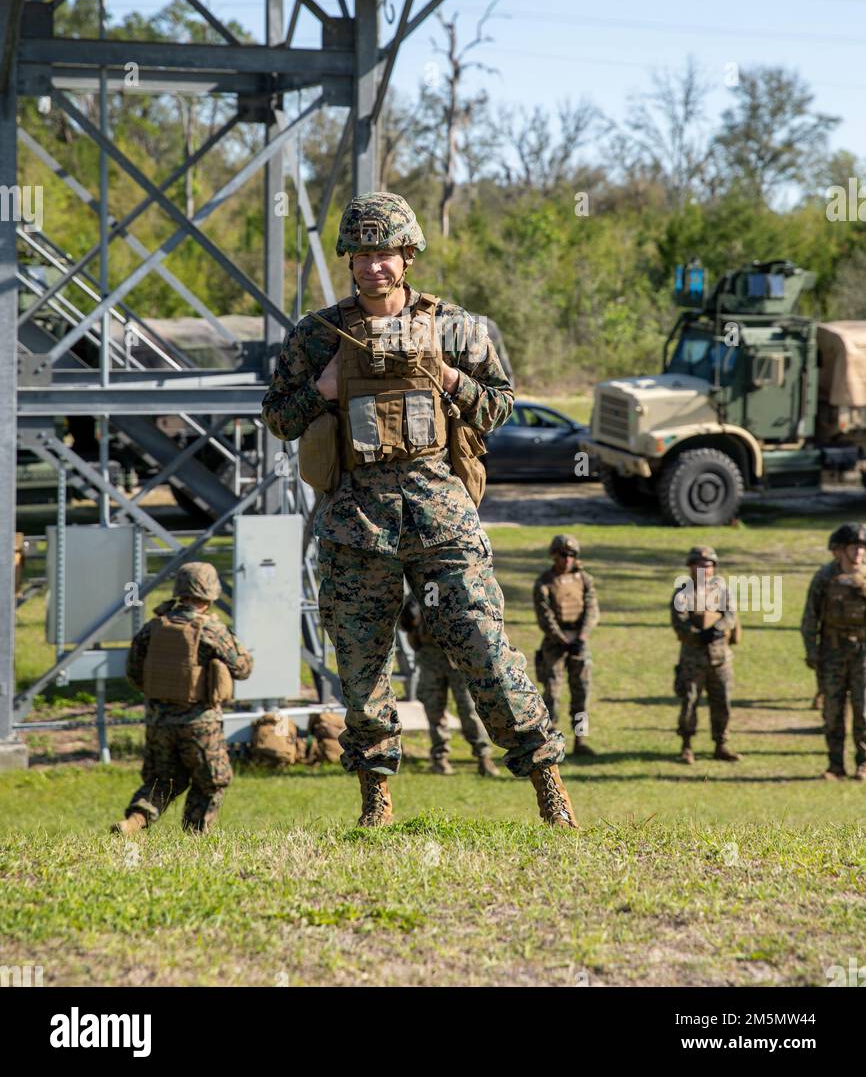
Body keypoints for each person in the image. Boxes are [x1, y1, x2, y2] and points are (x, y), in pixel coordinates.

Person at [261, 192, 575, 829]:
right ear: (349, 258)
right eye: (362, 253)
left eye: (386, 253)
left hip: (442, 516)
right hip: (355, 523)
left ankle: (547, 781)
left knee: (483, 645)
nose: (374, 265)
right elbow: (277, 418)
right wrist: (321, 390)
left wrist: (450, 378)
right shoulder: (317, 334)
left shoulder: (456, 326)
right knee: (361, 662)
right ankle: (376, 798)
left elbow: (501, 404)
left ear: (408, 256)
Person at [111, 562, 253, 835]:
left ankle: (134, 822)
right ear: (210, 594)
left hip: (158, 722)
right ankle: (194, 835)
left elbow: (133, 673)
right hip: (200, 722)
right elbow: (242, 669)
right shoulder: (212, 630)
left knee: (162, 779)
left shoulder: (154, 626)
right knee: (212, 781)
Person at [399, 593, 499, 777]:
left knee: (468, 709)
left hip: (458, 656)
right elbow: (407, 621)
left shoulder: (454, 584)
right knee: (434, 708)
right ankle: (440, 758)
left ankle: (483, 757)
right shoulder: (419, 587)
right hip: (430, 656)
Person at [801, 522, 866, 781]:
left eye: (863, 547)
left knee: (864, 710)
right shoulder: (825, 577)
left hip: (863, 654)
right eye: (855, 546)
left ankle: (863, 763)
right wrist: (812, 652)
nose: (860, 552)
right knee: (833, 710)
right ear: (840, 550)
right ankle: (835, 764)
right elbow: (810, 618)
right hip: (833, 652)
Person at [671, 546, 739, 764]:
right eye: (700, 565)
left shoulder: (722, 590)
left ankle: (721, 744)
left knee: (722, 702)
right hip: (693, 657)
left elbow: (730, 615)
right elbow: (678, 622)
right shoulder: (683, 593)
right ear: (691, 567)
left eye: (708, 566)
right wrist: (698, 635)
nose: (705, 570)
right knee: (689, 702)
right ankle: (686, 746)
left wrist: (717, 629)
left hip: (720, 658)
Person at [533, 535, 599, 757]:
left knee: (581, 692)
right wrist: (562, 639)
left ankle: (580, 741)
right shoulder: (544, 582)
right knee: (551, 693)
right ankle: (549, 743)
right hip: (554, 645)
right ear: (554, 555)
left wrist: (581, 637)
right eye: (563, 554)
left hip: (579, 643)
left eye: (572, 555)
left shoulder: (585, 579)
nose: (568, 559)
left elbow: (592, 610)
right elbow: (545, 616)